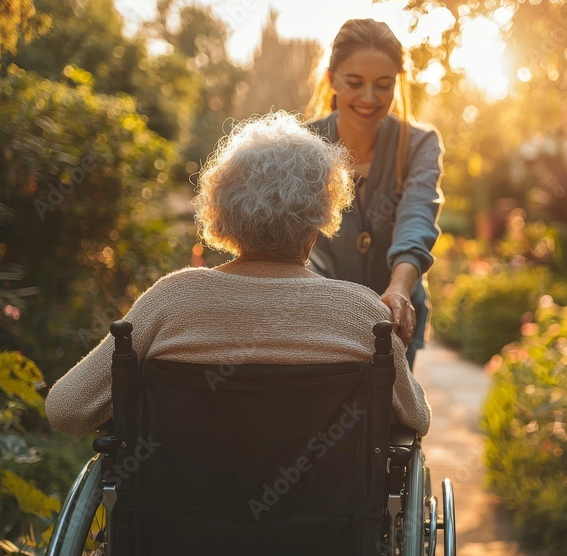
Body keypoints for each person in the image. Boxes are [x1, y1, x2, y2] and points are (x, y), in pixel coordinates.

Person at [44, 111, 431, 438]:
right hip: (329, 522)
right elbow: (416, 418)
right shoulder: (361, 314)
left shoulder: (171, 299)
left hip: (180, 520)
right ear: (317, 225)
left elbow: (66, 410)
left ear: (222, 215)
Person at [305, 18, 444, 370]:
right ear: (332, 78)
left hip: (393, 322)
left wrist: (399, 289)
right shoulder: (303, 144)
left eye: (383, 85)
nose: (369, 98)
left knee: (387, 421)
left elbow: (417, 218)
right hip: (319, 317)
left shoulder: (419, 144)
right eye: (355, 83)